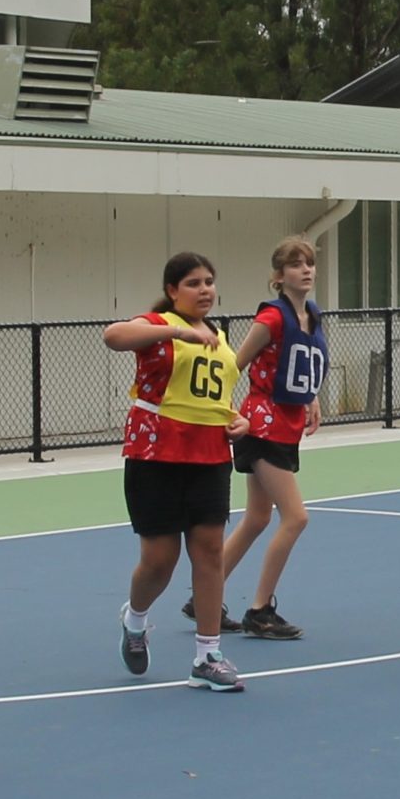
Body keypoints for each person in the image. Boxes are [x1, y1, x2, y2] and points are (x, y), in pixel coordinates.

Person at [102, 252, 251, 691]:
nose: (205, 289)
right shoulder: (156, 327)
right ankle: (136, 619)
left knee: (208, 551)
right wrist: (175, 328)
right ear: (172, 291)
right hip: (156, 455)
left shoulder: (221, 339)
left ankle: (208, 656)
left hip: (210, 456)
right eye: (193, 283)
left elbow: (215, 398)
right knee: (159, 561)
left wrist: (236, 420)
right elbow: (113, 336)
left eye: (209, 281)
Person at [206, 236, 331, 639]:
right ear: (279, 277)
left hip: (286, 422)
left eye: (309, 263)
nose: (306, 270)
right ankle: (259, 611)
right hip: (261, 424)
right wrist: (222, 414)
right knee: (296, 517)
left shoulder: (311, 315)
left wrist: (310, 396)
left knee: (258, 517)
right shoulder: (272, 319)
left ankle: (202, 594)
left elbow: (298, 364)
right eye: (296, 264)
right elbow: (234, 366)